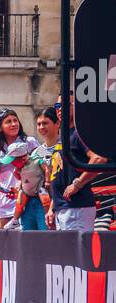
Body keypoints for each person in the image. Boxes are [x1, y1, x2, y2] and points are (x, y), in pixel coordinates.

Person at [48, 95, 105, 231]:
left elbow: (99, 159)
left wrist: (78, 183)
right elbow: (58, 175)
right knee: (66, 252)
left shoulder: (80, 133)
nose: (60, 109)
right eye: (57, 106)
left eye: (66, 104)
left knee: (78, 251)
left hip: (77, 207)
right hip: (63, 208)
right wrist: (52, 207)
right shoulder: (64, 135)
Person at [0, 108, 38, 229]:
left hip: (29, 202)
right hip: (5, 206)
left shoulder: (30, 142)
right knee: (6, 246)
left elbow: (41, 168)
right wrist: (5, 190)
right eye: (8, 121)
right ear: (0, 128)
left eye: (15, 120)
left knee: (30, 243)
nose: (13, 124)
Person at [0, 141, 47, 230]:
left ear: (23, 158)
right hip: (27, 203)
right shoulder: (19, 168)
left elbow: (48, 171)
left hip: (42, 200)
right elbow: (21, 179)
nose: (11, 164)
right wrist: (18, 189)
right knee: (28, 236)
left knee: (45, 232)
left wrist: (47, 183)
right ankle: (15, 220)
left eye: (13, 161)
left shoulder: (38, 158)